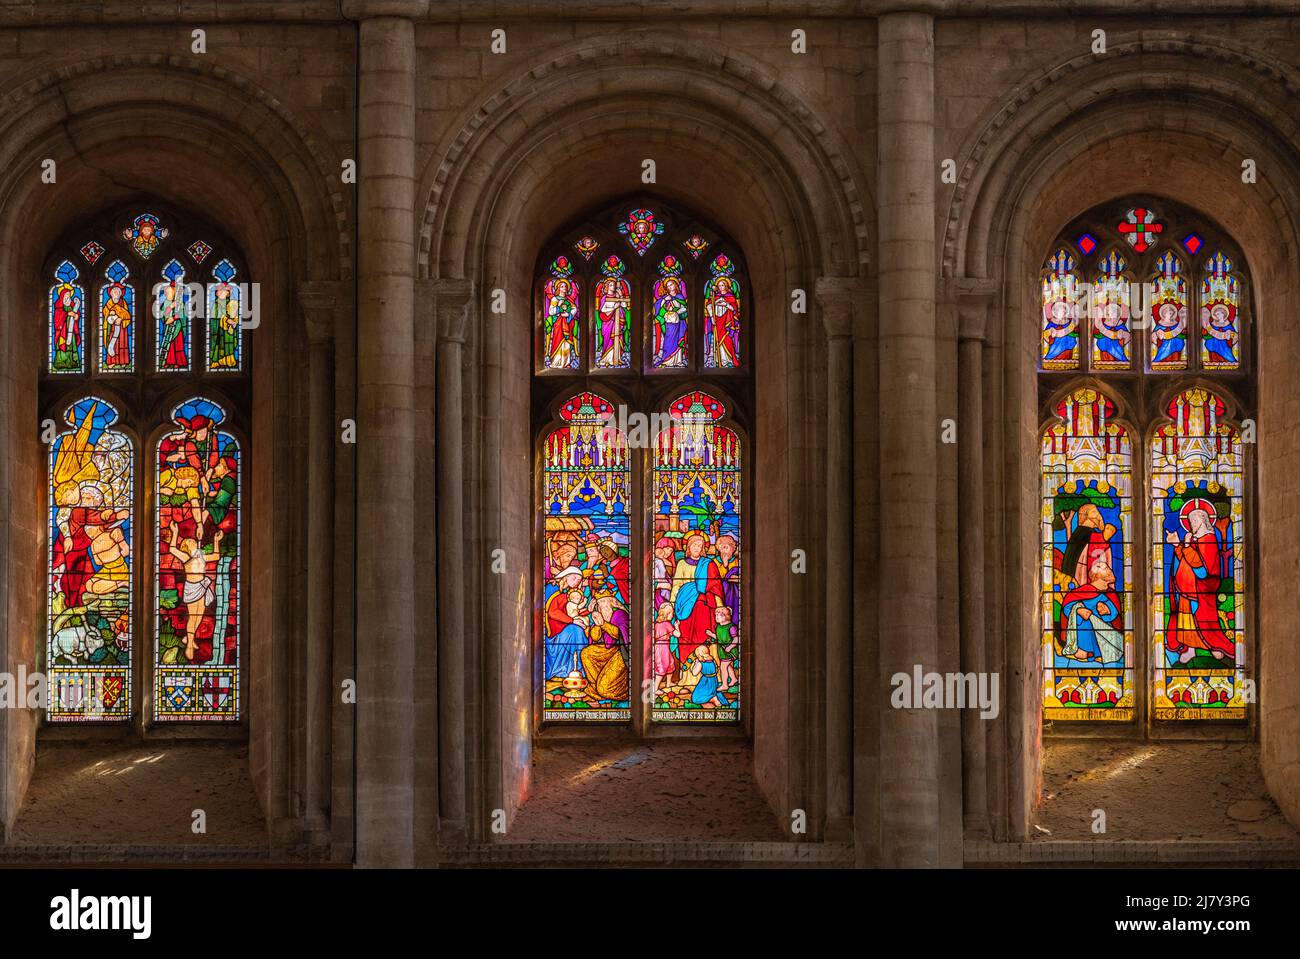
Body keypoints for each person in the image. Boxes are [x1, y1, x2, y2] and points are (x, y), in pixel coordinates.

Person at [1164, 502, 1235, 663]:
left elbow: (1202, 571)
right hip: (1186, 592)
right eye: (1190, 522)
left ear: (1203, 521)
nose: (1191, 525)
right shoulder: (1196, 540)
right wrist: (1177, 545)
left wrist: (1186, 546)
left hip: (1200, 592)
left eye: (1194, 522)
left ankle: (1212, 646)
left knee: (1203, 621)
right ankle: (1191, 648)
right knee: (1187, 622)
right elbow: (1185, 560)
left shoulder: (1209, 540)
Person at [579, 593, 629, 701]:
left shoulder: (620, 614)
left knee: (604, 689)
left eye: (603, 603)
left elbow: (621, 634)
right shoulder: (600, 616)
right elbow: (595, 638)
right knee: (586, 653)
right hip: (608, 650)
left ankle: (625, 693)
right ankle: (595, 689)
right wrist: (597, 622)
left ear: (611, 603)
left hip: (622, 651)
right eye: (599, 604)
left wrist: (604, 624)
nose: (601, 607)